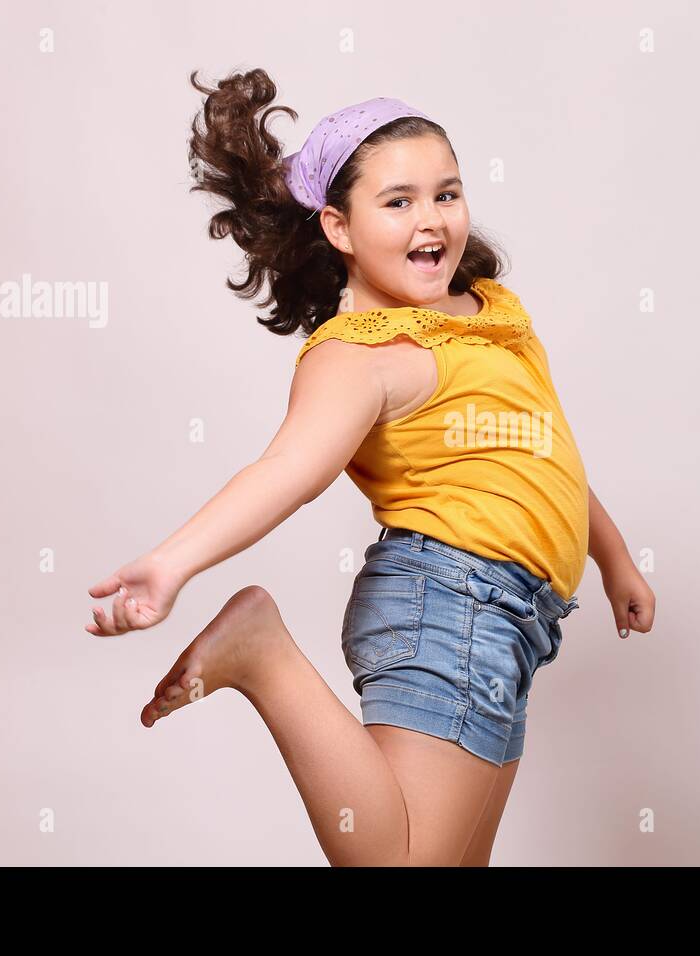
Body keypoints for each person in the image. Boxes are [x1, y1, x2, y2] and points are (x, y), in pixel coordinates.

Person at [84, 71, 656, 866]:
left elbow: (541, 450)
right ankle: (263, 652)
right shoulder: (358, 357)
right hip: (448, 607)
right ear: (339, 227)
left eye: (446, 194)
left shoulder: (489, 312)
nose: (431, 219)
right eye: (398, 202)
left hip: (516, 625)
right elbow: (287, 468)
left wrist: (614, 556)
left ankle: (262, 650)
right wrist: (170, 563)